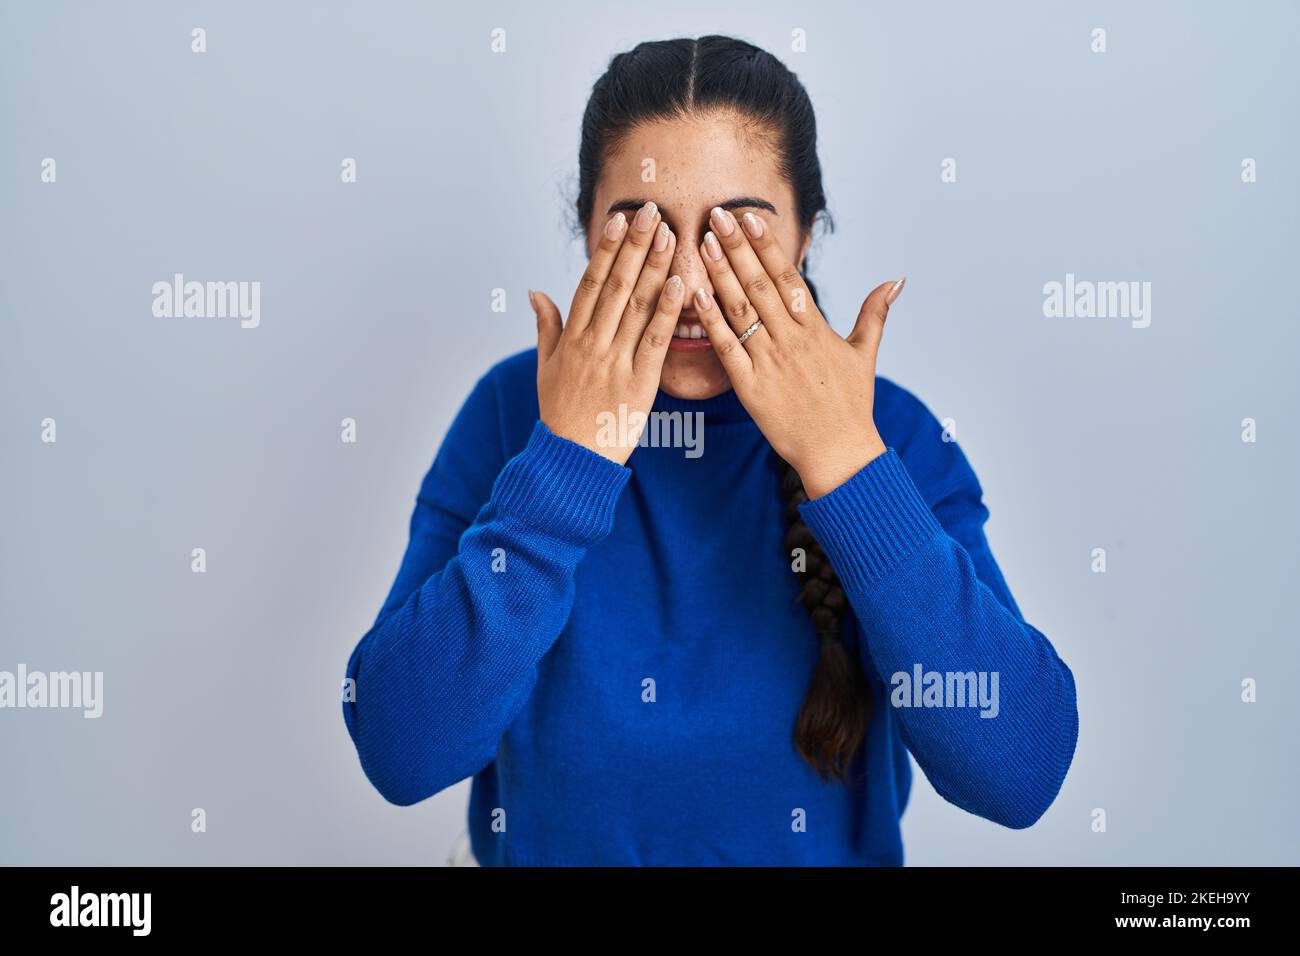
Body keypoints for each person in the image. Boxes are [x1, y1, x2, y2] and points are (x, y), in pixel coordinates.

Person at [342, 35, 1079, 866]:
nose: (690, 286)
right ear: (587, 234)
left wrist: (846, 464)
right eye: (643, 233)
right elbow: (402, 752)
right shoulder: (515, 412)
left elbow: (1020, 773)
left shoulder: (891, 435)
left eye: (736, 236)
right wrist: (567, 460)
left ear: (805, 237)